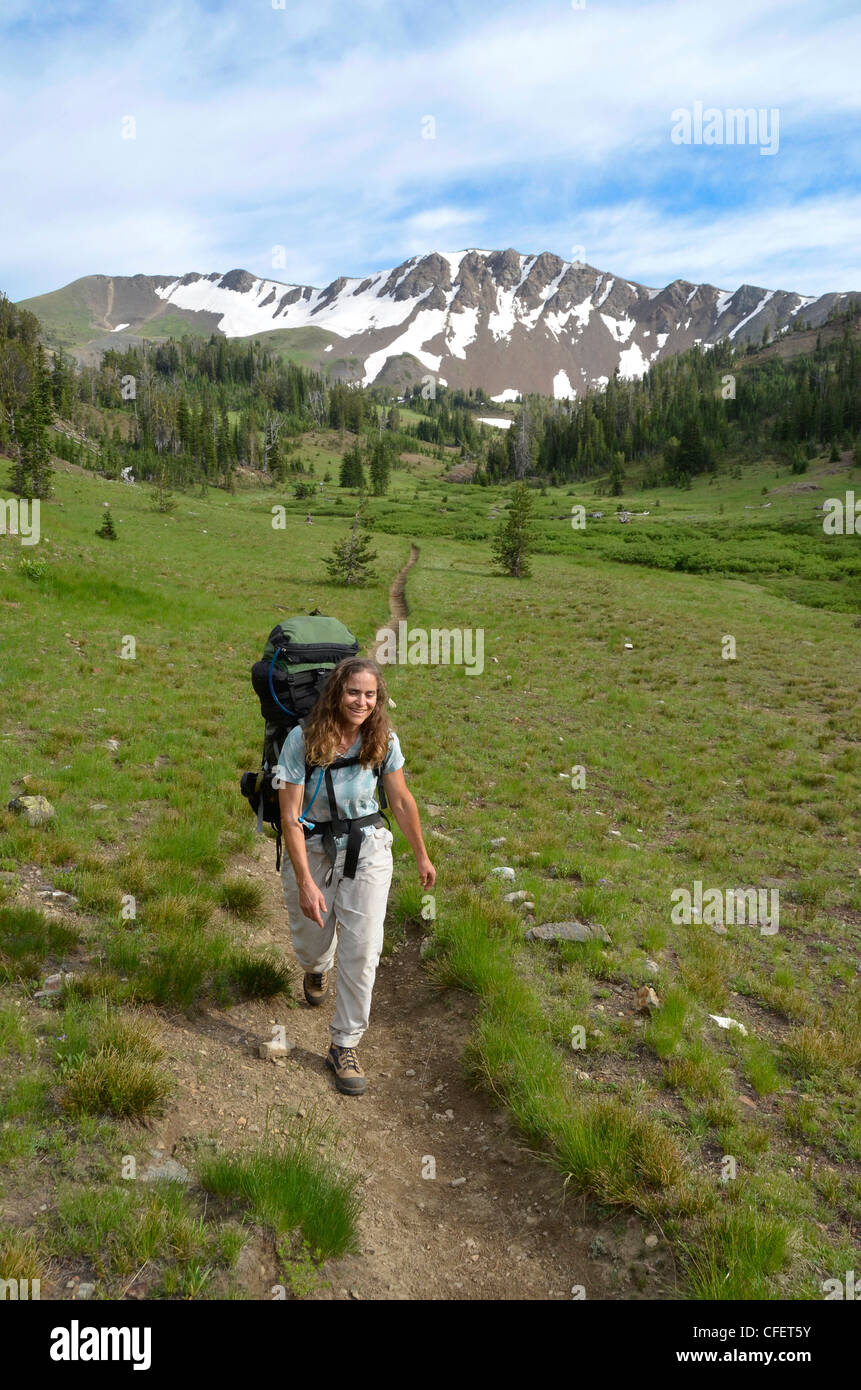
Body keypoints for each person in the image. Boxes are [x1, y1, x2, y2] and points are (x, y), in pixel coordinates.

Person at [274, 657, 435, 1095]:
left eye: (370, 694)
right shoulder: (301, 739)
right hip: (310, 848)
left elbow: (400, 801)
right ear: (336, 694)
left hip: (367, 848)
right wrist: (306, 881)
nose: (361, 702)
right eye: (353, 692)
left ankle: (343, 1044)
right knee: (312, 941)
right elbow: (290, 817)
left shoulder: (382, 738)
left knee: (363, 950)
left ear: (378, 699)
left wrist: (421, 855)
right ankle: (315, 967)